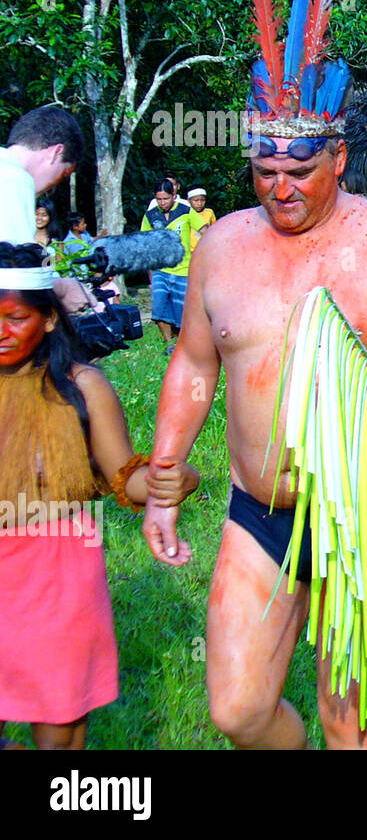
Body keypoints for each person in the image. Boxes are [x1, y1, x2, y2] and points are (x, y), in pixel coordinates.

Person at [140, 0, 367, 750]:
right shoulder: (220, 247)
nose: (281, 188)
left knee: (349, 719)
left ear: (339, 156)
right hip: (256, 509)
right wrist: (162, 482)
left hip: (363, 513)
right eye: (264, 170)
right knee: (238, 710)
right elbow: (192, 364)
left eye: (300, 169)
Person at [0, 242, 198, 750]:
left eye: (15, 318)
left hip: (57, 572)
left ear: (47, 320)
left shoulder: (82, 387)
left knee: (60, 717)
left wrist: (166, 480)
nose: (0, 333)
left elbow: (123, 478)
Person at [1, 105, 82, 245]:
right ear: (56, 152)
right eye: (63, 174)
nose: (51, 190)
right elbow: (12, 263)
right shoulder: (15, 179)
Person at [139, 179, 202, 347]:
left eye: (166, 199)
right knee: (158, 307)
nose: (162, 203)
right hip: (160, 269)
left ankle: (182, 343)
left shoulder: (186, 211)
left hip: (182, 270)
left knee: (181, 311)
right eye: (159, 199)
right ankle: (168, 344)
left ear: (174, 196)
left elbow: (205, 230)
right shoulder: (151, 215)